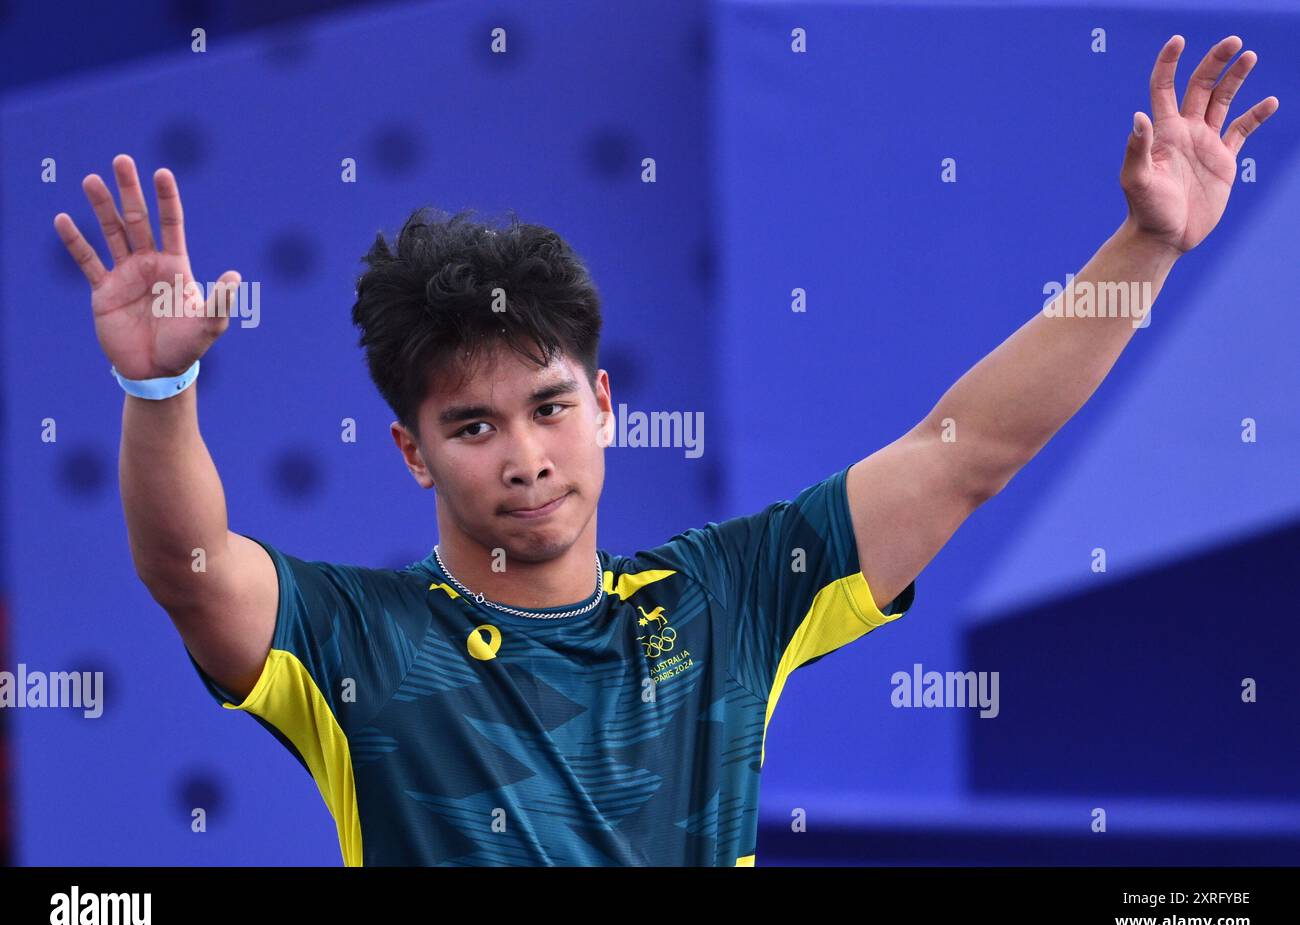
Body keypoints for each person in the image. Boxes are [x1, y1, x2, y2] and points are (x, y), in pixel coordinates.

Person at [51, 35, 1277, 866]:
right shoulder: (352, 641)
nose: (523, 453)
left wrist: (1145, 250)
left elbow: (968, 451)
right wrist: (159, 384)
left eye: (545, 405)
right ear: (412, 454)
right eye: (471, 426)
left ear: (606, 404)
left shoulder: (727, 599)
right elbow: (191, 566)